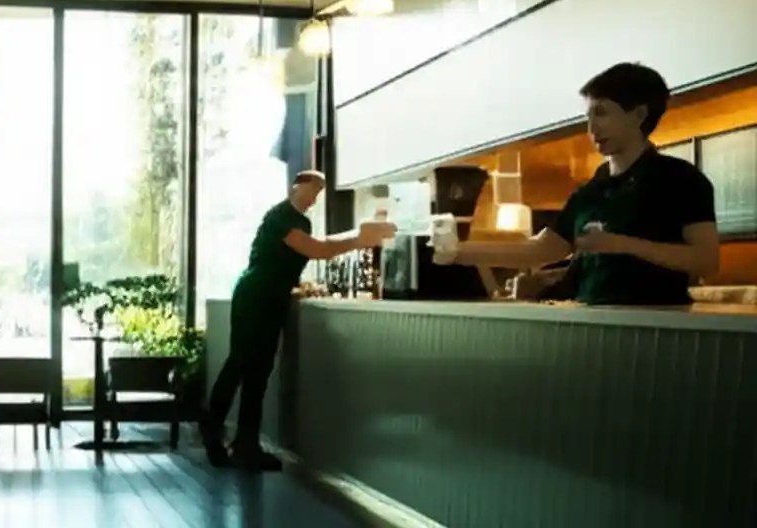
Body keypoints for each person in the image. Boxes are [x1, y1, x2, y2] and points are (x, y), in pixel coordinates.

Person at [434, 62, 720, 305]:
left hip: (657, 326)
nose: (591, 129)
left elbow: (707, 261)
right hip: (591, 322)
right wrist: (455, 252)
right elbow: (539, 250)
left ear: (639, 115)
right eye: (589, 116)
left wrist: (624, 244)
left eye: (602, 113)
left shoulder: (680, 179)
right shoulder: (592, 190)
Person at [201, 170, 397, 470]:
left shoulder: (298, 221)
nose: (315, 200)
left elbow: (319, 244)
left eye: (319, 194)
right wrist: (359, 240)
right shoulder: (281, 216)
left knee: (257, 371)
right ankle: (215, 433)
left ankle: (244, 444)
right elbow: (317, 249)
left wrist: (358, 236)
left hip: (270, 297)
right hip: (256, 296)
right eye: (313, 192)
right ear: (297, 187)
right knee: (242, 364)